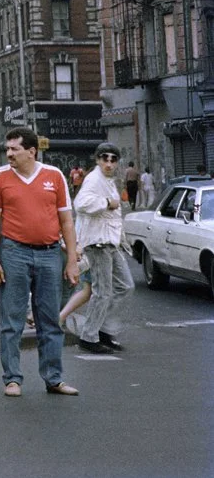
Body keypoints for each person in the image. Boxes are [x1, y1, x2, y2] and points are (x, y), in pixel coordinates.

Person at [0, 126, 80, 397]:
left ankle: (54, 378)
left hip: (50, 252)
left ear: (31, 151)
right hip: (14, 252)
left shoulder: (55, 176)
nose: (9, 154)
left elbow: (66, 220)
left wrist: (71, 259)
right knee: (11, 317)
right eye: (7, 149)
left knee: (50, 318)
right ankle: (12, 379)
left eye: (15, 149)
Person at [71, 141, 134, 355]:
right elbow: (80, 204)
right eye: (104, 158)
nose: (109, 163)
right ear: (97, 160)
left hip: (110, 242)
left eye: (113, 159)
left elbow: (114, 217)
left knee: (126, 286)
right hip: (97, 243)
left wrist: (122, 240)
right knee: (102, 292)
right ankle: (89, 336)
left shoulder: (108, 180)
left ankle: (104, 329)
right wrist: (107, 202)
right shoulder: (93, 179)